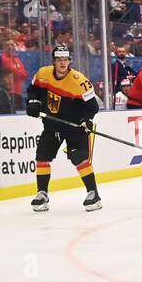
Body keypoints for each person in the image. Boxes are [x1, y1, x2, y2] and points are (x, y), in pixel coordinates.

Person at [25, 46, 102, 212]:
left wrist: (87, 120)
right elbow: (33, 91)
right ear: (54, 60)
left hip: (74, 126)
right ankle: (42, 193)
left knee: (79, 158)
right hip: (52, 125)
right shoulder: (43, 74)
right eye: (59, 59)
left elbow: (92, 106)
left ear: (70, 61)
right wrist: (33, 102)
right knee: (42, 157)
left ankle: (93, 193)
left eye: (65, 59)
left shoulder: (79, 80)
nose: (62, 62)